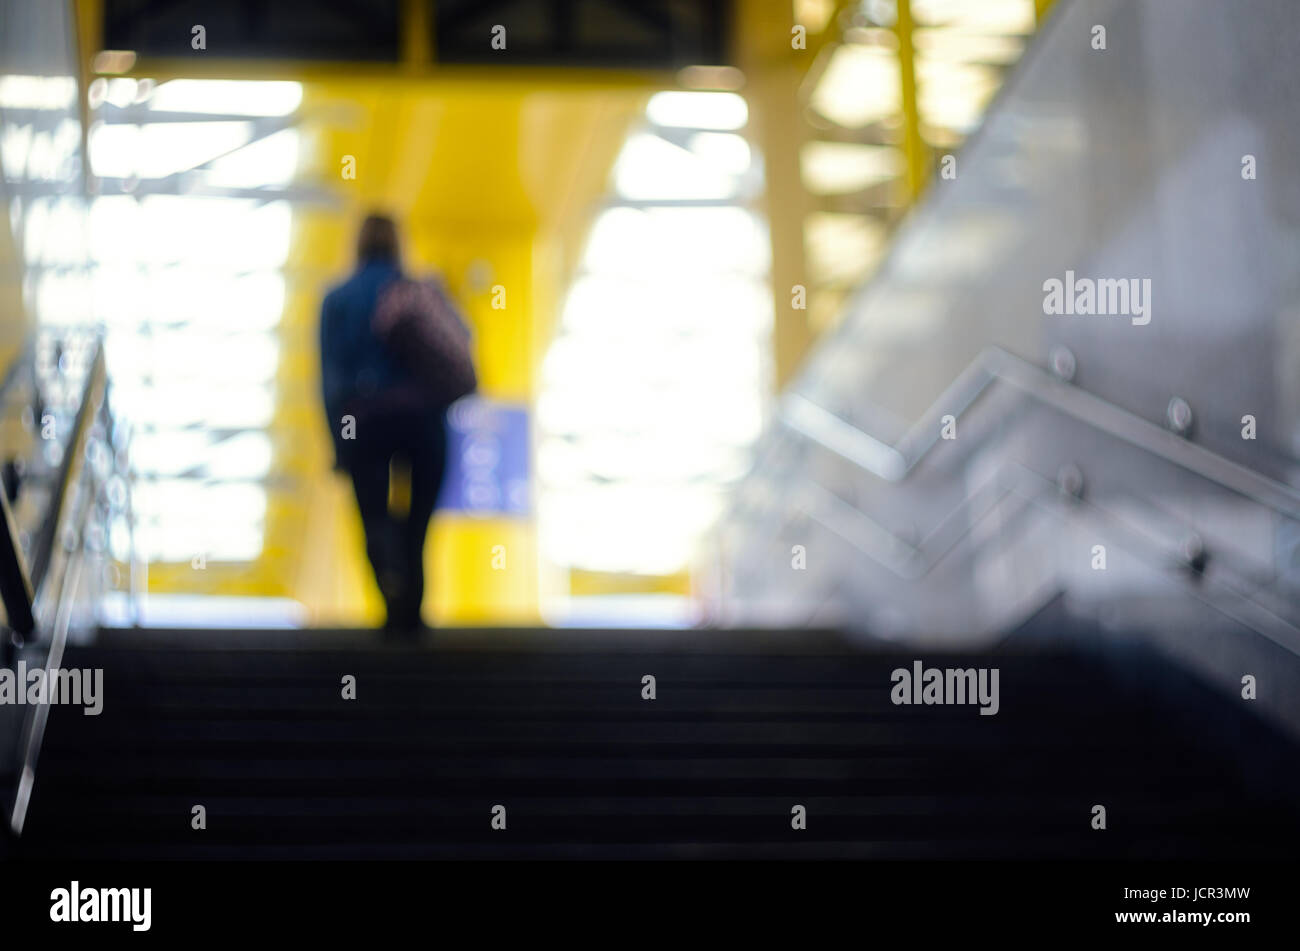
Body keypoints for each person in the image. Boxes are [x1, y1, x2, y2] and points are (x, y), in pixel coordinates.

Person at [319, 214, 452, 635]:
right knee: (418, 520)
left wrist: (340, 443)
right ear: (399, 244)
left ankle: (392, 605)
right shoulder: (421, 290)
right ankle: (413, 610)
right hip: (423, 419)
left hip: (365, 421)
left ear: (356, 244)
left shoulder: (338, 298)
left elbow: (331, 381)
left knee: (374, 517)